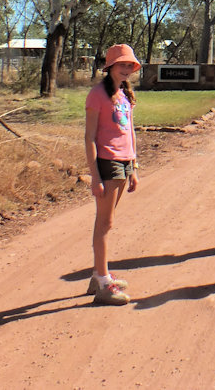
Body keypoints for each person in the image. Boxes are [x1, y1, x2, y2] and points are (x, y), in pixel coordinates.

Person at [84, 43, 143, 306]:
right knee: (105, 223)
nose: (127, 69)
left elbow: (129, 132)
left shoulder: (125, 95)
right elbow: (89, 137)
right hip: (108, 163)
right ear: (109, 67)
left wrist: (134, 168)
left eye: (130, 65)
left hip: (124, 163)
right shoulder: (97, 94)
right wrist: (94, 176)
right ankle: (103, 282)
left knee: (106, 222)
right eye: (122, 64)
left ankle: (99, 276)